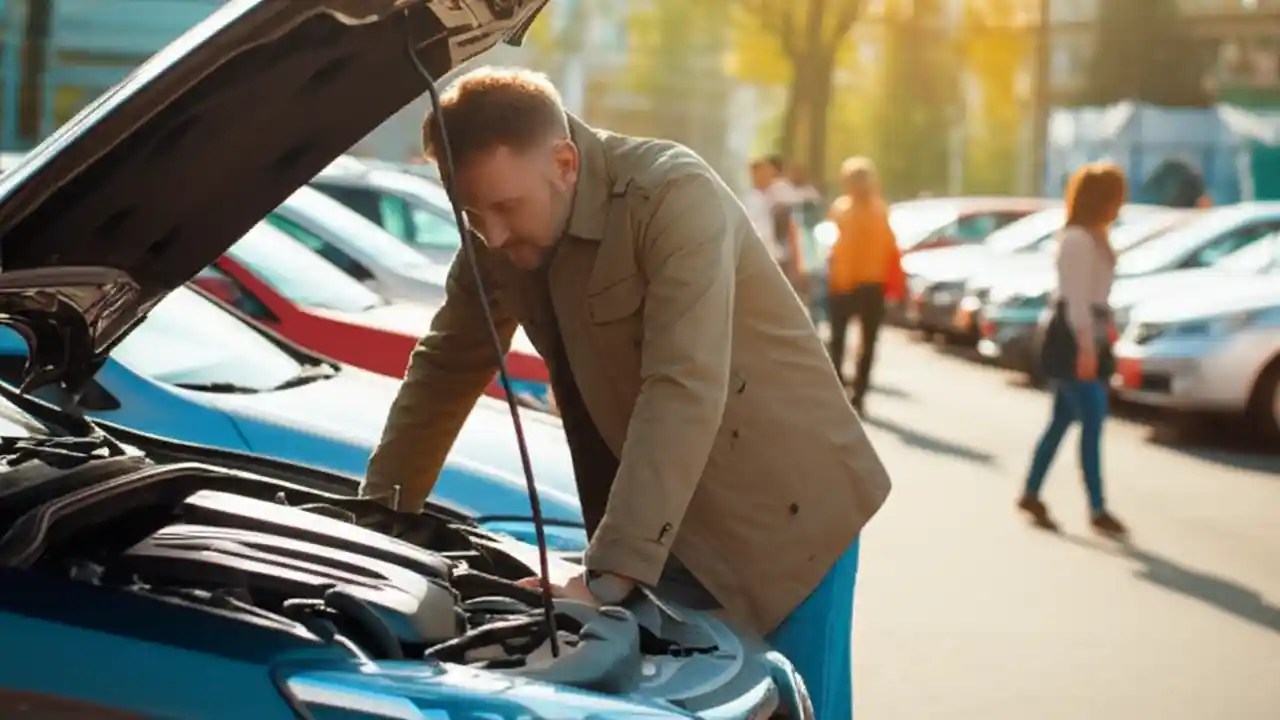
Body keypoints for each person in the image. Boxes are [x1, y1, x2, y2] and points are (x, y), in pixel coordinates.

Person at [362, 67, 891, 718]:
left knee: (793, 709)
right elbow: (445, 367)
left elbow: (683, 384)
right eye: (472, 213)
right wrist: (380, 511)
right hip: (662, 529)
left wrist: (608, 575)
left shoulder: (671, 194)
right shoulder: (494, 240)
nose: (491, 235)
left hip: (785, 517)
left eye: (504, 208)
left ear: (563, 162)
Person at [1019, 162, 1127, 536]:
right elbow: (1077, 299)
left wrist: (1104, 332)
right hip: (1073, 337)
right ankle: (1097, 507)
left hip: (1090, 334)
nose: (1120, 204)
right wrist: (1086, 347)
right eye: (1115, 197)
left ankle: (1031, 492)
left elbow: (1097, 296)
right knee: (1092, 419)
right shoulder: (1077, 239)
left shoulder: (1096, 235)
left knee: (1063, 420)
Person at [825, 157, 899, 415]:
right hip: (862, 284)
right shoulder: (873, 210)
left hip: (856, 284)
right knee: (854, 342)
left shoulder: (847, 210)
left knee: (850, 341)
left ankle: (851, 393)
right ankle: (853, 392)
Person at [744, 155, 805, 295]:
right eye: (761, 172)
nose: (766, 176)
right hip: (757, 257)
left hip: (779, 256)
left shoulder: (780, 193)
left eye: (769, 172)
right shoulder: (750, 199)